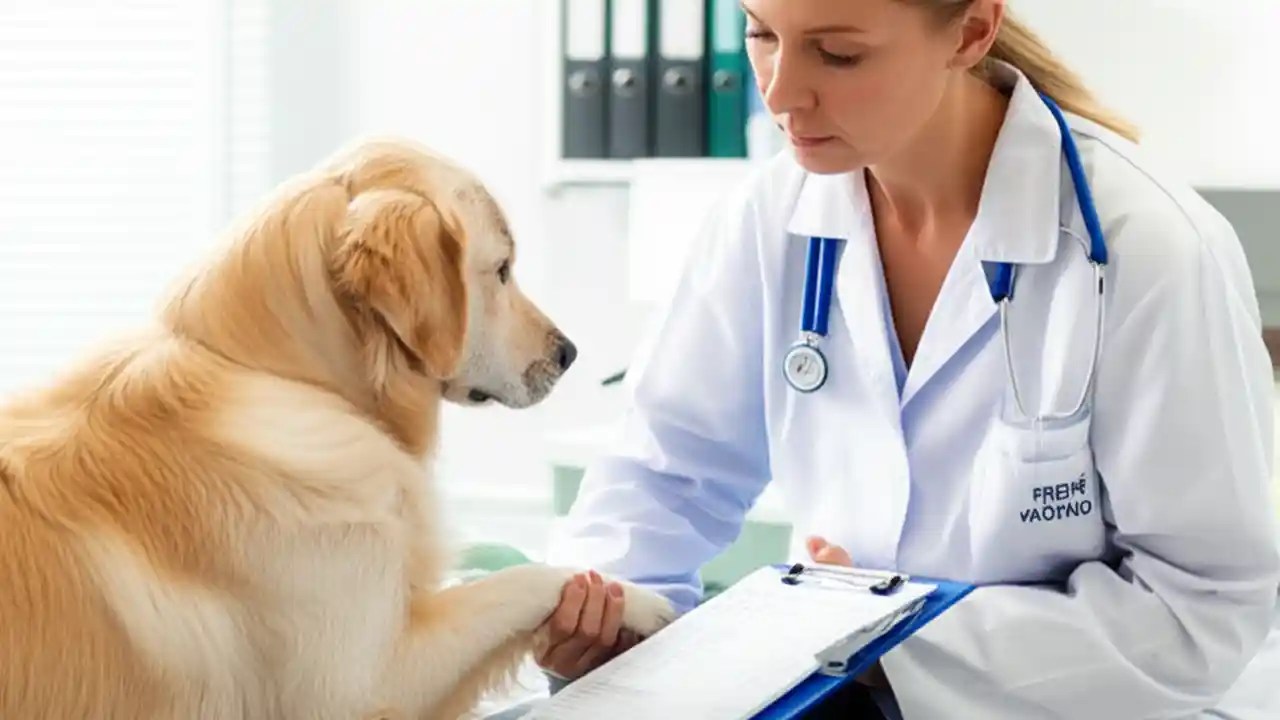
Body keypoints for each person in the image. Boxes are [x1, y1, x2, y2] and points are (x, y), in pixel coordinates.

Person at [536, 0, 1280, 718]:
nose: (780, 91)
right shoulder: (766, 218)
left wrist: (886, 632)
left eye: (838, 53)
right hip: (834, 690)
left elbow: (1201, 612)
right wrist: (605, 615)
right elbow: (663, 477)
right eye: (760, 34)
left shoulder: (1145, 246)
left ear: (972, 31)